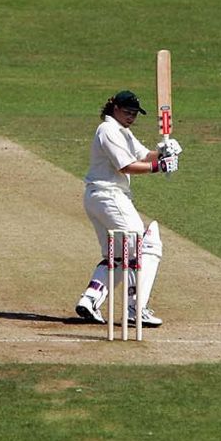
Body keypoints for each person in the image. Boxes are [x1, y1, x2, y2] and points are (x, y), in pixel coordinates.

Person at [73, 90, 182, 329]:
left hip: (101, 198)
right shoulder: (108, 130)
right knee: (145, 245)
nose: (131, 117)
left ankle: (90, 300)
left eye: (134, 114)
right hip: (109, 196)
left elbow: (144, 155)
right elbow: (126, 166)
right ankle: (136, 308)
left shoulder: (123, 131)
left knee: (119, 256)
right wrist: (159, 167)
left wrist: (164, 151)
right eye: (127, 112)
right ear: (114, 108)